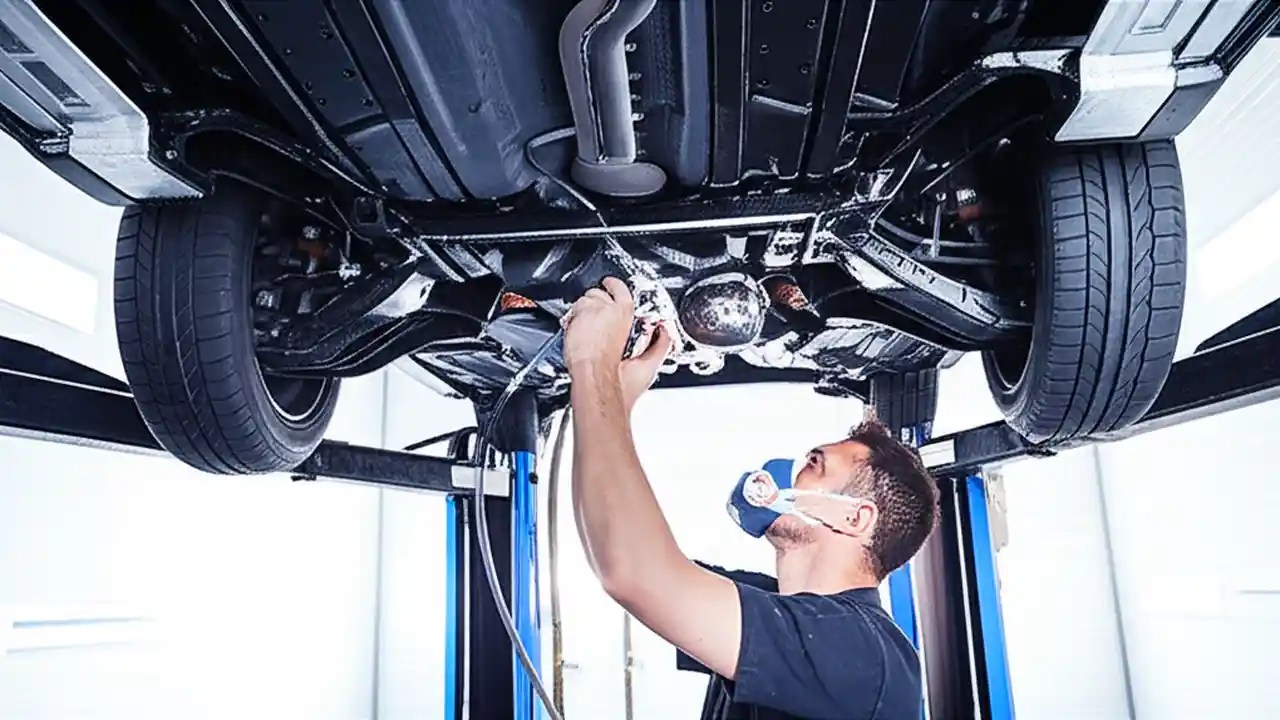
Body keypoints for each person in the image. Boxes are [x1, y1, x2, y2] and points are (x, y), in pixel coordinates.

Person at [561, 278, 939, 720]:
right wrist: (615, 400)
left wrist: (593, 366)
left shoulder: (867, 653)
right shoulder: (777, 607)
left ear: (855, 518)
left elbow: (632, 570)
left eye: (814, 465)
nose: (789, 471)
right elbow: (617, 540)